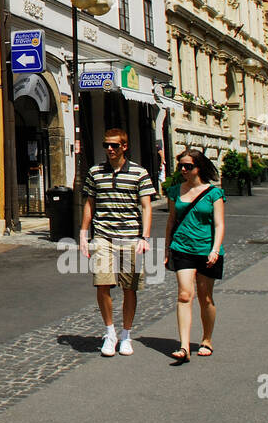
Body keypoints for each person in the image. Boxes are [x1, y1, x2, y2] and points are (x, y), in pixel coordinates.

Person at [78, 128, 156, 357]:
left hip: (131, 237)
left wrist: (145, 237)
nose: (109, 149)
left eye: (114, 145)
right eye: (106, 145)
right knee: (102, 284)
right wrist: (84, 233)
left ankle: (126, 335)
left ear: (124, 146)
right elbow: (90, 203)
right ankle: (110, 332)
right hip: (103, 237)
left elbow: (146, 206)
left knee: (129, 288)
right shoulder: (95, 172)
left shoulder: (139, 173)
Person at [163, 149, 226, 363]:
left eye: (187, 166)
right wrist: (166, 249)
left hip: (207, 250)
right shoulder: (174, 191)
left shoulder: (213, 193)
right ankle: (184, 347)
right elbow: (171, 221)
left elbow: (219, 224)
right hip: (182, 248)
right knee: (184, 294)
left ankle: (207, 339)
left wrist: (215, 249)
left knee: (205, 297)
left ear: (198, 167)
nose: (183, 169)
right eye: (180, 165)